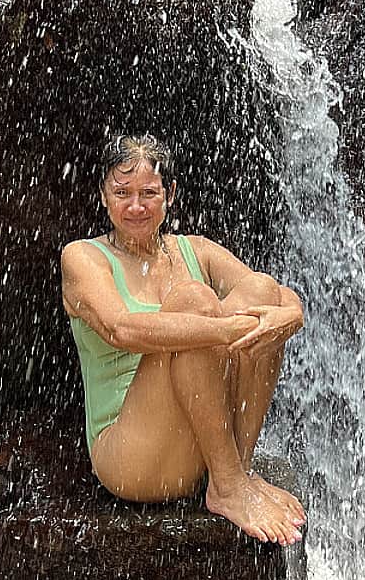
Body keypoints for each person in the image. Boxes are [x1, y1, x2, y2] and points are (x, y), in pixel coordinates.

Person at [59, 134, 307, 546]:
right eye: (122, 193)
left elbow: (278, 298)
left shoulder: (197, 250)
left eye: (148, 193)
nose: (135, 206)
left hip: (201, 443)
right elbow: (122, 329)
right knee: (193, 300)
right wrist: (224, 330)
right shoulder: (82, 257)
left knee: (261, 290)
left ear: (169, 194)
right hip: (132, 454)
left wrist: (293, 315)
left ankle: (235, 473)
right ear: (103, 196)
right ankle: (228, 483)